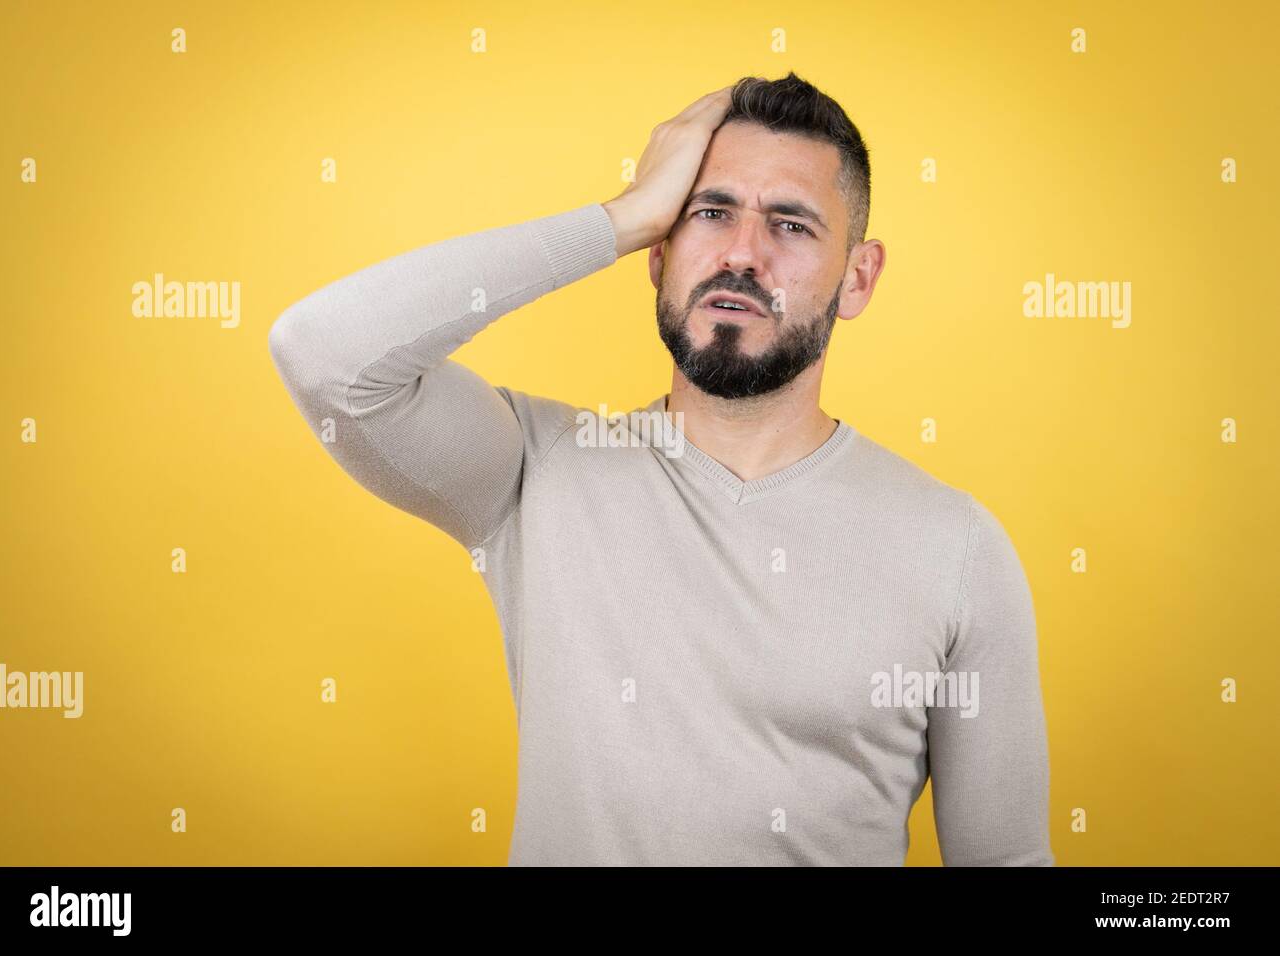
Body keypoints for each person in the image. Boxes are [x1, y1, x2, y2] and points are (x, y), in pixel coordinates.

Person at [268, 72, 1054, 866]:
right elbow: (324, 354)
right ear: (658, 253)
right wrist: (624, 215)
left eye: (791, 225)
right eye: (709, 213)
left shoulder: (957, 550)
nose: (742, 254)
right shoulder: (534, 475)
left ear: (859, 277)